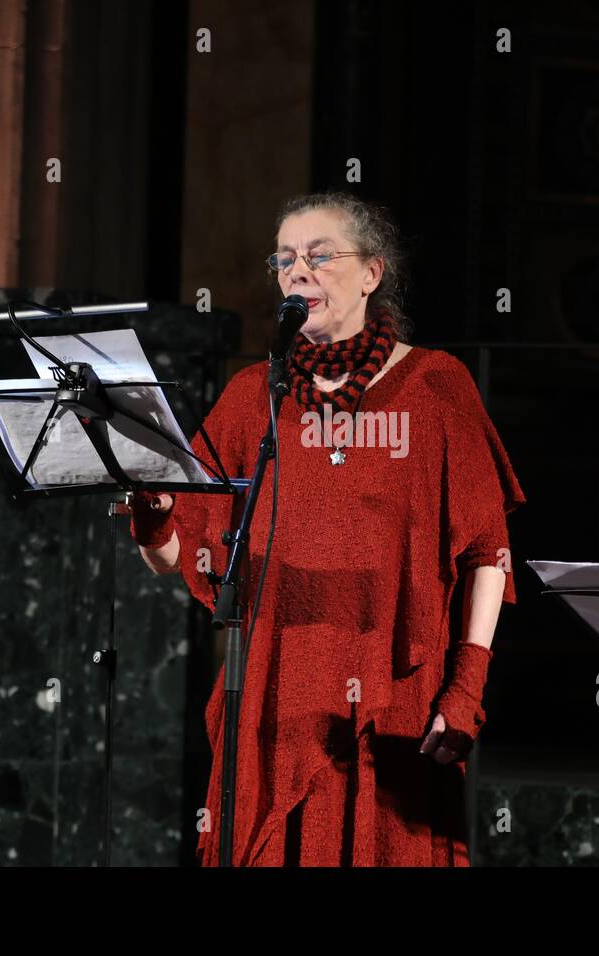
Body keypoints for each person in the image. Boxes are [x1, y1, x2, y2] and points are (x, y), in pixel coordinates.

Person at [131, 192, 524, 866]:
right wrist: (151, 516)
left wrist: (467, 692)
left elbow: (489, 551)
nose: (297, 272)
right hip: (270, 701)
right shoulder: (254, 395)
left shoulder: (435, 386)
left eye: (318, 257)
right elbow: (174, 557)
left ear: (371, 273)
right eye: (283, 261)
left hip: (394, 703)